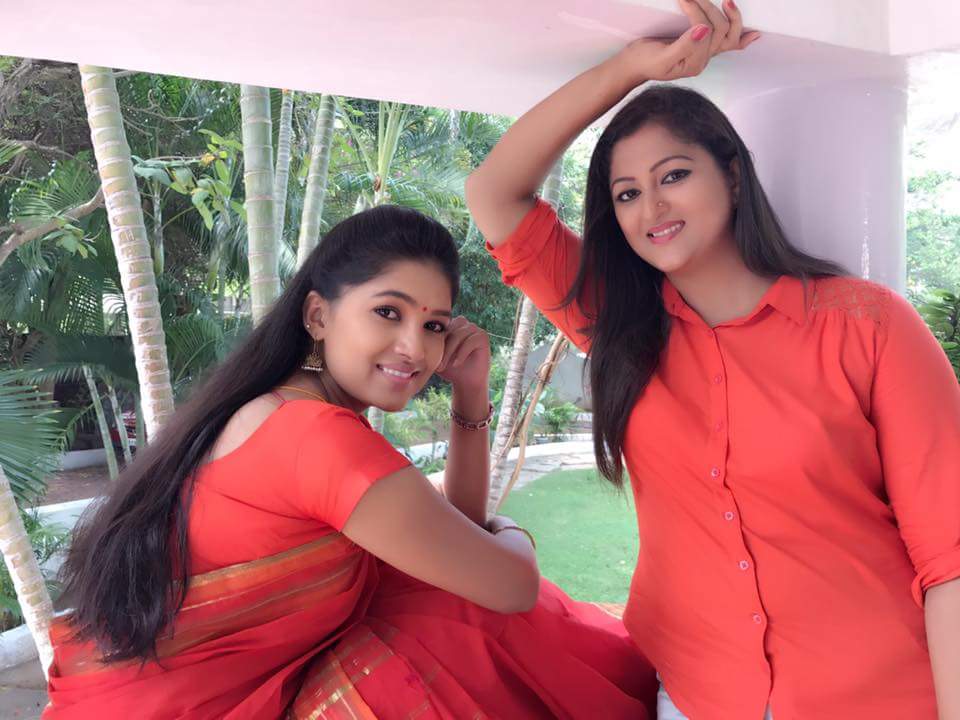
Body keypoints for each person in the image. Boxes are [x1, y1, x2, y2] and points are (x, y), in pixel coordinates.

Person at [465, 1, 960, 718]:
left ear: (731, 174)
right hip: (698, 696)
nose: (650, 208)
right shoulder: (619, 327)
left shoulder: (867, 327)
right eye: (626, 193)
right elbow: (493, 194)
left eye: (673, 175)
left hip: (878, 695)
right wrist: (632, 68)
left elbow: (950, 557)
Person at [44, 206, 656, 719]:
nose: (414, 347)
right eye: (388, 312)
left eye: (434, 325)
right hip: (189, 709)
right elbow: (511, 586)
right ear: (318, 315)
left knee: (434, 605)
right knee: (451, 627)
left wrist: (471, 393)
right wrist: (511, 531)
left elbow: (457, 540)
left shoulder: (281, 406)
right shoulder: (316, 437)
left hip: (173, 697)